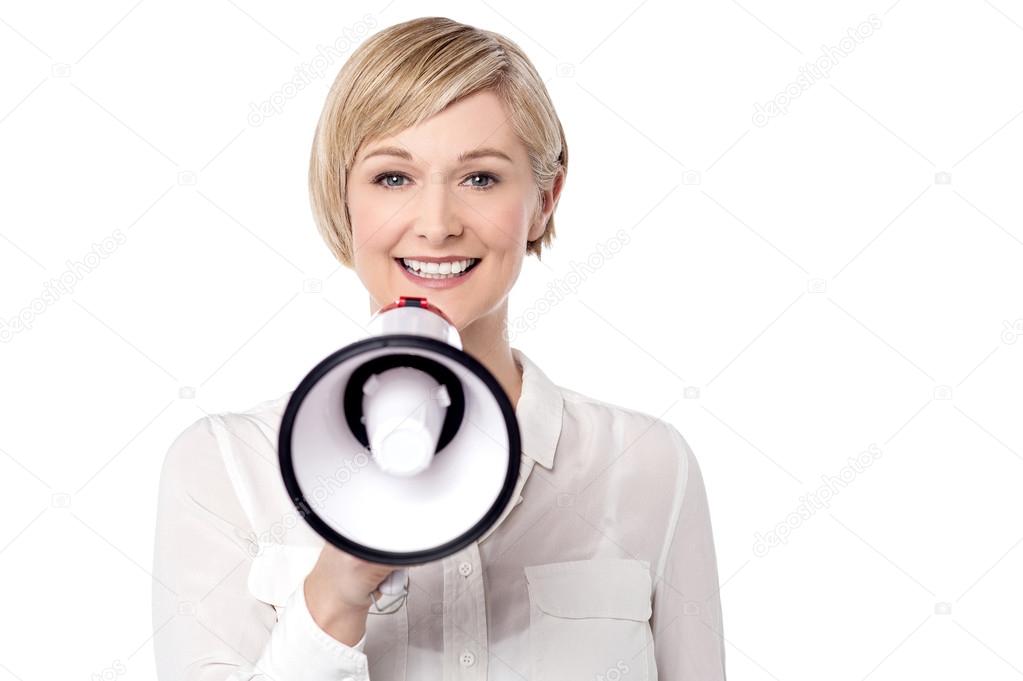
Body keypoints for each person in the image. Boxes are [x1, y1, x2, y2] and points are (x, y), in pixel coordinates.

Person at [152, 16, 727, 680]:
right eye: (393, 178)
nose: (436, 224)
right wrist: (335, 596)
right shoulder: (227, 467)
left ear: (544, 198)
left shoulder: (648, 466)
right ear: (343, 198)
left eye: (479, 178)